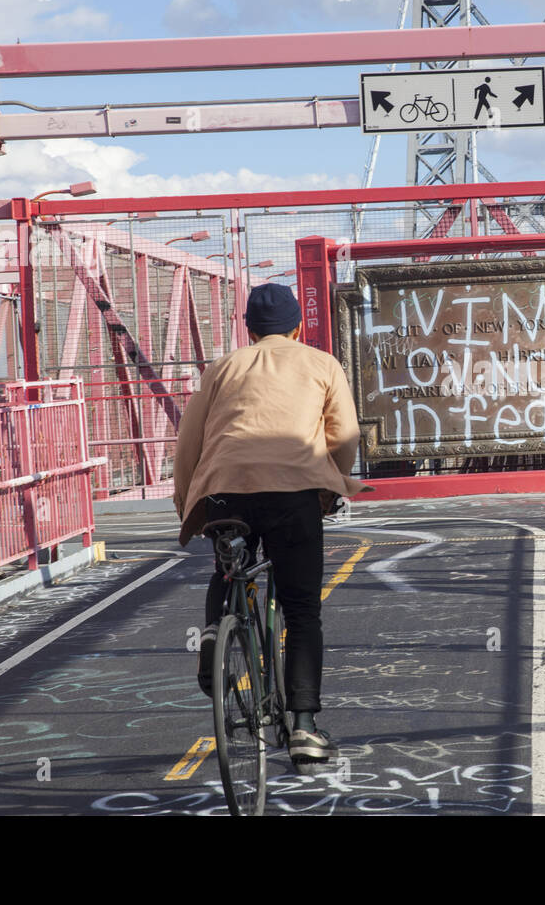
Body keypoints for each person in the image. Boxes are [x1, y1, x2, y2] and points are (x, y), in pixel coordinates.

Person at [173, 282, 370, 763]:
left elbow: (188, 445)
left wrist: (189, 506)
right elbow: (344, 435)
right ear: (299, 326)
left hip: (226, 491)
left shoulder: (220, 369)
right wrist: (333, 483)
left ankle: (216, 630)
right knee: (302, 610)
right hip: (293, 492)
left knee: (228, 571)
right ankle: (303, 726)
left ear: (249, 329)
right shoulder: (322, 364)